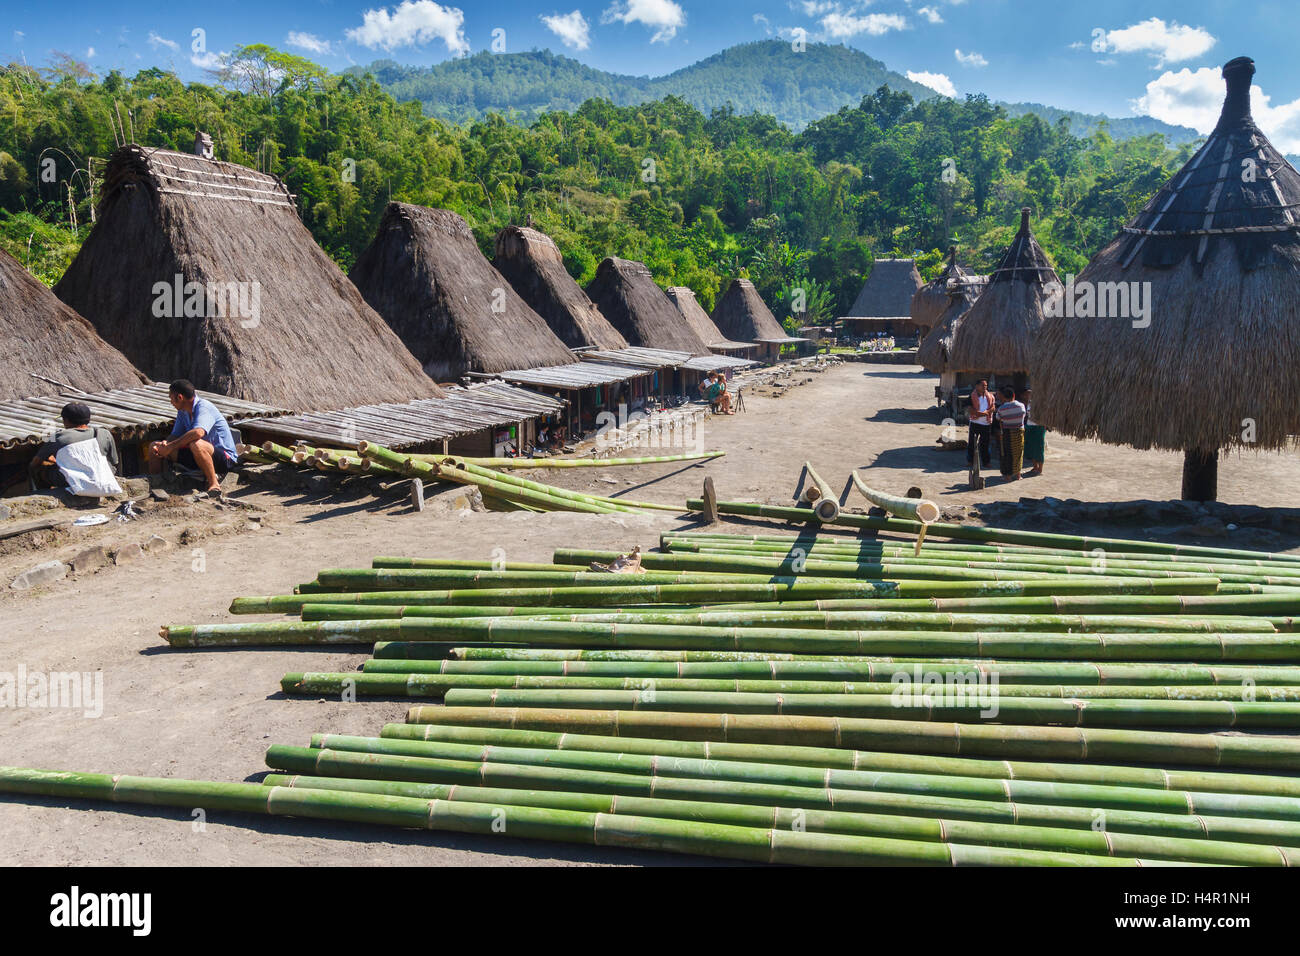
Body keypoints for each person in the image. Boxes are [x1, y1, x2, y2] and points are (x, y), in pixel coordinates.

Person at [148, 379, 238, 496]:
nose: (170, 402)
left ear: (180, 397)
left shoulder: (204, 407)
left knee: (196, 443)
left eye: (171, 398)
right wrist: (166, 444)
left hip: (224, 459)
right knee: (154, 446)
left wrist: (171, 446)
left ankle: (214, 484)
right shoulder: (183, 412)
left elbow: (198, 433)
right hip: (197, 456)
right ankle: (156, 484)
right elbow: (175, 435)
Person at [29, 402, 121, 492]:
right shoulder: (104, 433)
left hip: (75, 482)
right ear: (88, 419)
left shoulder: (58, 437)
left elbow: (35, 463)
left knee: (38, 469)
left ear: (66, 420)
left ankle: (44, 493)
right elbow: (114, 461)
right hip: (103, 478)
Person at [995, 386, 1027, 481]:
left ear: (1004, 397)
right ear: (1014, 395)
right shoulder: (1021, 406)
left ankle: (1008, 476)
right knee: (1018, 453)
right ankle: (1018, 475)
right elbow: (1024, 416)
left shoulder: (1002, 409)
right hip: (1019, 432)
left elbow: (998, 418)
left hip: (1008, 433)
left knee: (1007, 454)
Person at [966, 379, 992, 470]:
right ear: (977, 386)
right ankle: (970, 461)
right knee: (972, 443)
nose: (985, 387)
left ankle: (986, 462)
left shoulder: (990, 396)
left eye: (986, 385)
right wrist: (983, 414)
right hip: (975, 423)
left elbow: (993, 407)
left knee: (986, 443)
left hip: (986, 424)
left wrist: (986, 413)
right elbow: (971, 410)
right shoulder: (972, 396)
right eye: (983, 385)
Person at [1021, 387, 1046, 476]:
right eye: (1027, 394)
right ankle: (1035, 467)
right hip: (1030, 426)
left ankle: (1040, 469)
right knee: (1031, 447)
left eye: (1030, 393)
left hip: (1038, 427)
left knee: (1039, 448)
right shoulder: (1028, 403)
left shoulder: (1040, 404)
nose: (1028, 395)